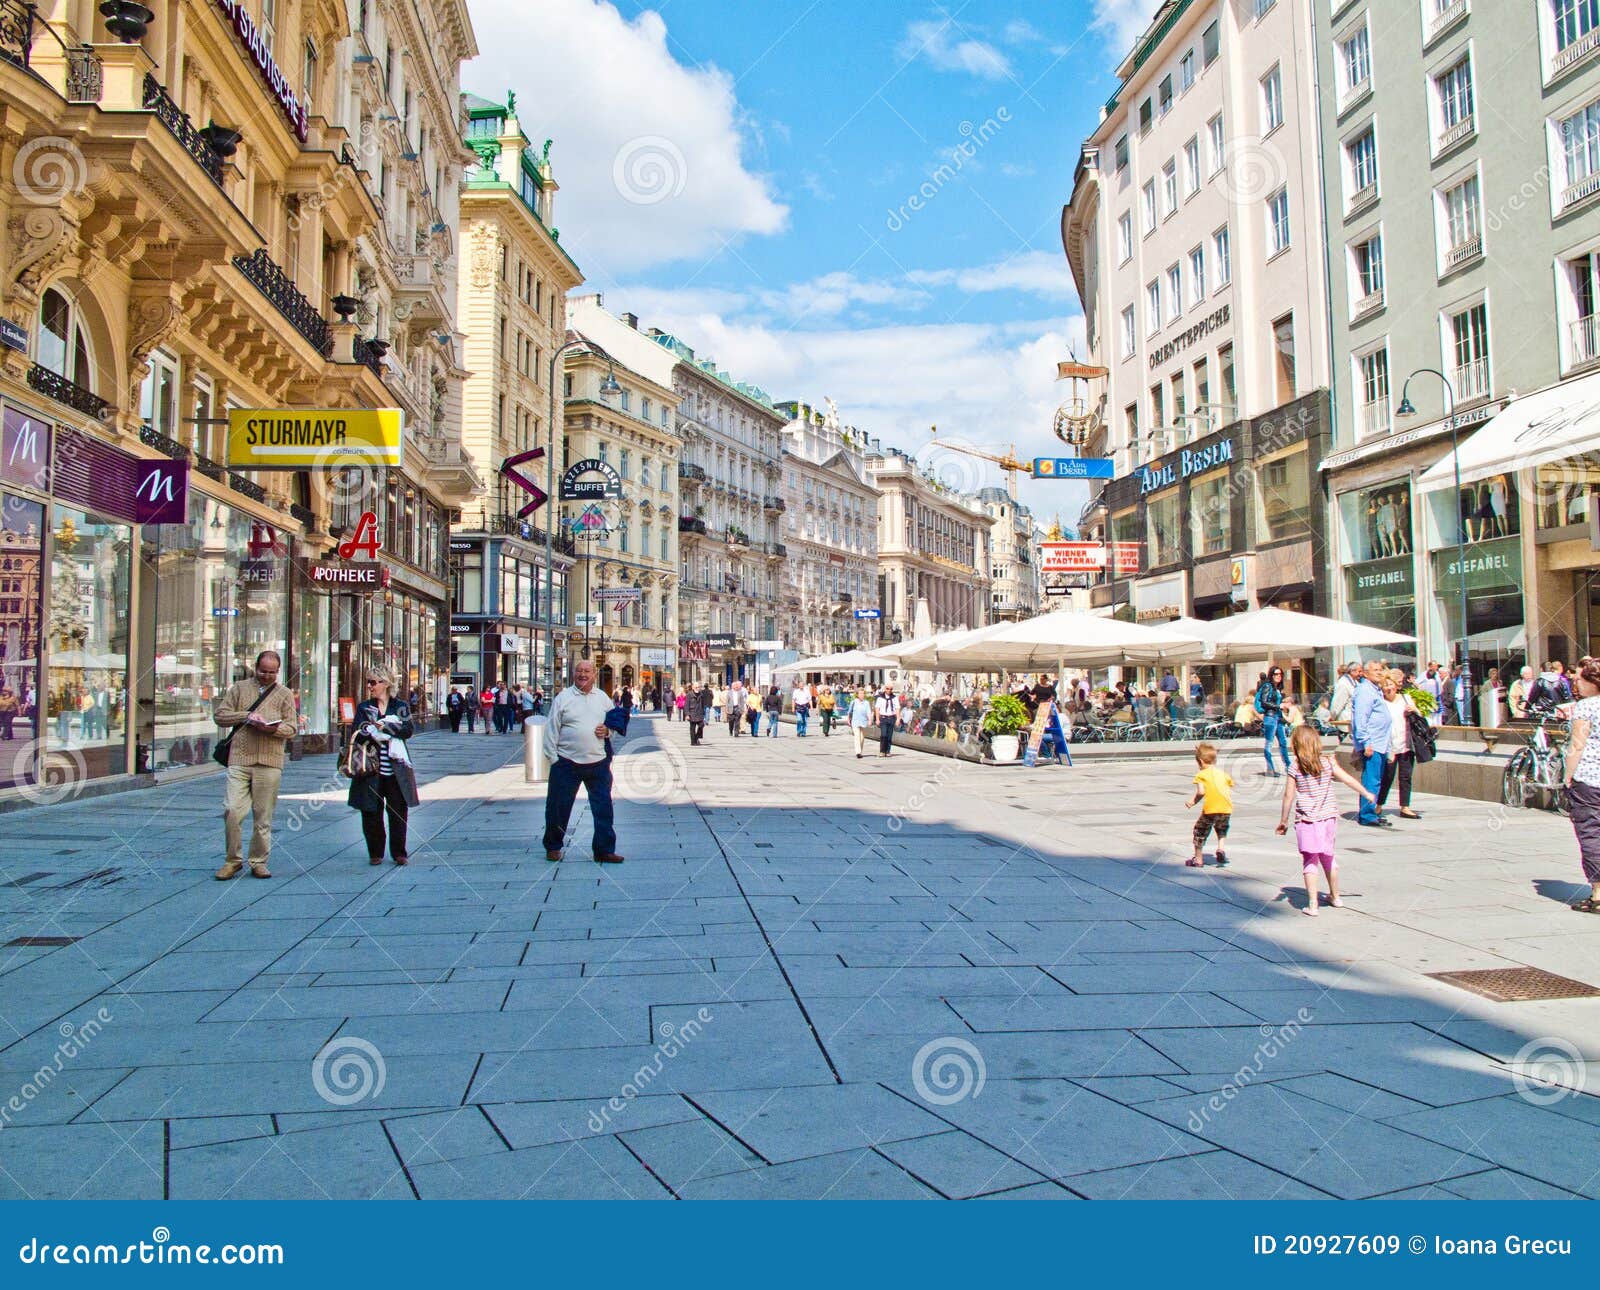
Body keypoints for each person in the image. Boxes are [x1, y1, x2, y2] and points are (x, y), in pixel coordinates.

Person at [1276, 724, 1379, 916]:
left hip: (1307, 820)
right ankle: (1336, 896)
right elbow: (1347, 779)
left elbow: (1288, 796)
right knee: (1328, 857)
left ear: (1296, 745)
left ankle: (1313, 904)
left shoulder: (1295, 766)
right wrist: (1366, 793)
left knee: (1310, 861)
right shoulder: (1327, 763)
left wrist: (1283, 820)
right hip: (1328, 818)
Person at [213, 650, 299, 880]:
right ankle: (233, 860)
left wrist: (272, 729)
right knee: (232, 810)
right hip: (240, 759)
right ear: (255, 667)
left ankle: (259, 861)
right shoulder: (239, 688)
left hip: (269, 762)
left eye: (272, 672)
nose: (267, 676)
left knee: (263, 816)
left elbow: (292, 728)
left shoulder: (284, 694)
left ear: (278, 672)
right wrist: (245, 716)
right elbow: (220, 715)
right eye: (263, 671)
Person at [542, 659, 624, 865]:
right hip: (567, 762)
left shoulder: (603, 698)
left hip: (597, 762)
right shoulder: (564, 698)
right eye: (579, 671)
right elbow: (551, 729)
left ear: (594, 674)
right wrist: (554, 759)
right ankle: (553, 846)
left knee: (603, 808)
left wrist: (608, 731)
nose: (582, 674)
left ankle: (604, 850)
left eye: (587, 671)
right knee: (558, 807)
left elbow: (612, 723)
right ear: (573, 673)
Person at [349, 666, 417, 867]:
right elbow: (358, 732)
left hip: (396, 769)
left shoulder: (400, 706)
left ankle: (399, 853)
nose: (369, 686)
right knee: (371, 811)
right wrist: (371, 729)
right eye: (368, 682)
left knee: (398, 811)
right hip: (371, 768)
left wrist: (383, 727)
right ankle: (375, 852)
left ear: (386, 683)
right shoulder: (364, 707)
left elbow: (408, 730)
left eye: (373, 682)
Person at [1562, 659, 1600, 913]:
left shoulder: (1585, 706)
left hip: (1589, 780)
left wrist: (1568, 776)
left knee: (1591, 832)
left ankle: (1598, 893)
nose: (1576, 683)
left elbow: (1577, 746)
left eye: (1579, 679)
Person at [1350, 658, 1393, 828]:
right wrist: (1365, 742)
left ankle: (1372, 811)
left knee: (1376, 780)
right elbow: (1361, 719)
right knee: (1371, 780)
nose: (1380, 672)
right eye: (1375, 670)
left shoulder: (1375, 690)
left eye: (1381, 669)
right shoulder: (1365, 691)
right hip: (1372, 744)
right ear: (1366, 673)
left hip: (1380, 743)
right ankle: (1367, 815)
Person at [1376, 669, 1421, 820]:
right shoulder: (1380, 702)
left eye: (1391, 684)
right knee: (1386, 777)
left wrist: (1414, 710)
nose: (1389, 688)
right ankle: (1379, 804)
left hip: (1406, 744)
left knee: (1406, 776)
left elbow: (1420, 716)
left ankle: (1405, 806)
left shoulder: (1406, 698)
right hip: (1389, 746)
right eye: (1385, 685)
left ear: (1396, 685)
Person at [1185, 742, 1233, 868]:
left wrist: (1192, 802)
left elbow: (1201, 792)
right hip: (1226, 808)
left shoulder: (1201, 775)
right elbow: (1228, 787)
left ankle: (1198, 859)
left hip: (1210, 808)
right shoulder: (1224, 774)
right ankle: (1221, 848)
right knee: (1221, 829)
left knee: (1199, 832)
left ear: (1200, 761)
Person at [1256, 665, 1290, 775]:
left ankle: (1288, 766)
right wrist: (1278, 706)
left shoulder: (1277, 688)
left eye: (1280, 674)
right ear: (1271, 675)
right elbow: (1264, 702)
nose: (1278, 676)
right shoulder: (1267, 686)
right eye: (1276, 674)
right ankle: (1270, 769)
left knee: (1283, 743)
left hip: (1278, 718)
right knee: (1269, 744)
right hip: (1270, 717)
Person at [848, 687, 874, 759]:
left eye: (863, 693)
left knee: (862, 737)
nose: (862, 695)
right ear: (857, 694)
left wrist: (870, 720)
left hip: (863, 721)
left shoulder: (866, 703)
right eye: (860, 693)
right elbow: (849, 711)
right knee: (857, 736)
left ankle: (860, 751)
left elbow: (868, 712)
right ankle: (858, 752)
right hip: (855, 721)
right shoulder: (854, 701)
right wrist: (848, 719)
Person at [875, 685, 898, 757]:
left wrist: (898, 719)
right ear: (885, 689)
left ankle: (888, 751)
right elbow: (877, 709)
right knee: (884, 735)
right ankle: (882, 751)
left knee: (889, 735)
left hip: (891, 717)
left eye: (891, 689)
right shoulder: (880, 698)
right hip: (883, 718)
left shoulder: (894, 698)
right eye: (887, 689)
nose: (889, 690)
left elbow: (897, 709)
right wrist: (877, 719)